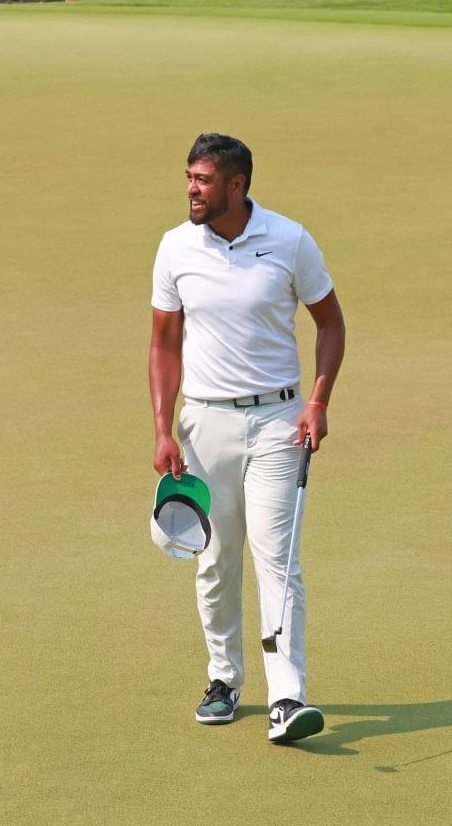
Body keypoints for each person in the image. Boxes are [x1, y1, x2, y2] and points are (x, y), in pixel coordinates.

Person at [148, 132, 345, 746]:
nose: (191, 189)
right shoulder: (175, 247)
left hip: (278, 425)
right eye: (189, 177)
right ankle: (224, 680)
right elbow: (163, 344)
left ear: (237, 185)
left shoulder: (289, 240)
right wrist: (162, 426)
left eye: (203, 180)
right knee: (213, 559)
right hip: (204, 425)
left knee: (276, 557)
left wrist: (318, 402)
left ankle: (287, 697)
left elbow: (331, 323)